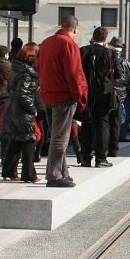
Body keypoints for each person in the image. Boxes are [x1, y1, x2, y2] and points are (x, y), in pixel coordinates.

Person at [38, 15, 88, 187]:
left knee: (57, 136)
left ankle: (62, 172)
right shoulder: (69, 44)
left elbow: (40, 68)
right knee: (60, 138)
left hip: (48, 95)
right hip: (63, 96)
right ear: (75, 29)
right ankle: (54, 175)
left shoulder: (46, 43)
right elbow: (74, 74)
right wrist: (78, 96)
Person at [79, 27, 121, 167]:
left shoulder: (84, 50)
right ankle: (101, 158)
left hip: (86, 92)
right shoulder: (110, 53)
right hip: (104, 92)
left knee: (86, 123)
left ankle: (85, 157)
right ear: (105, 39)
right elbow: (119, 74)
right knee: (102, 124)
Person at [0, 44, 41, 183]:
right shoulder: (27, 74)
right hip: (22, 111)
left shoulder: (16, 69)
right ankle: (29, 174)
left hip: (12, 108)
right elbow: (23, 95)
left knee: (17, 139)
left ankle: (9, 170)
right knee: (29, 140)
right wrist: (33, 109)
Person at [109, 37, 130, 146]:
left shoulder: (107, 60)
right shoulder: (128, 64)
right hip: (122, 94)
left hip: (109, 92)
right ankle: (120, 136)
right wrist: (128, 92)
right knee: (121, 117)